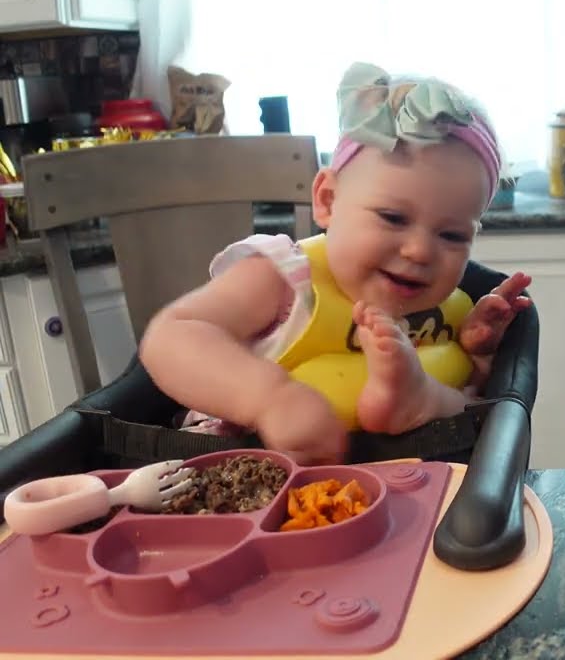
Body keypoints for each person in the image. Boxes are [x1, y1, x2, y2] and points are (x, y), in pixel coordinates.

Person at [139, 62, 532, 464]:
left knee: (461, 403)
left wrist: (478, 354)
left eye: (452, 236)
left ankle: (416, 401)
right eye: (393, 218)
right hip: (253, 486)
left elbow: (476, 403)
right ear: (327, 200)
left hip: (408, 497)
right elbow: (171, 335)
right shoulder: (284, 278)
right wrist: (269, 398)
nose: (420, 251)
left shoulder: (450, 308)